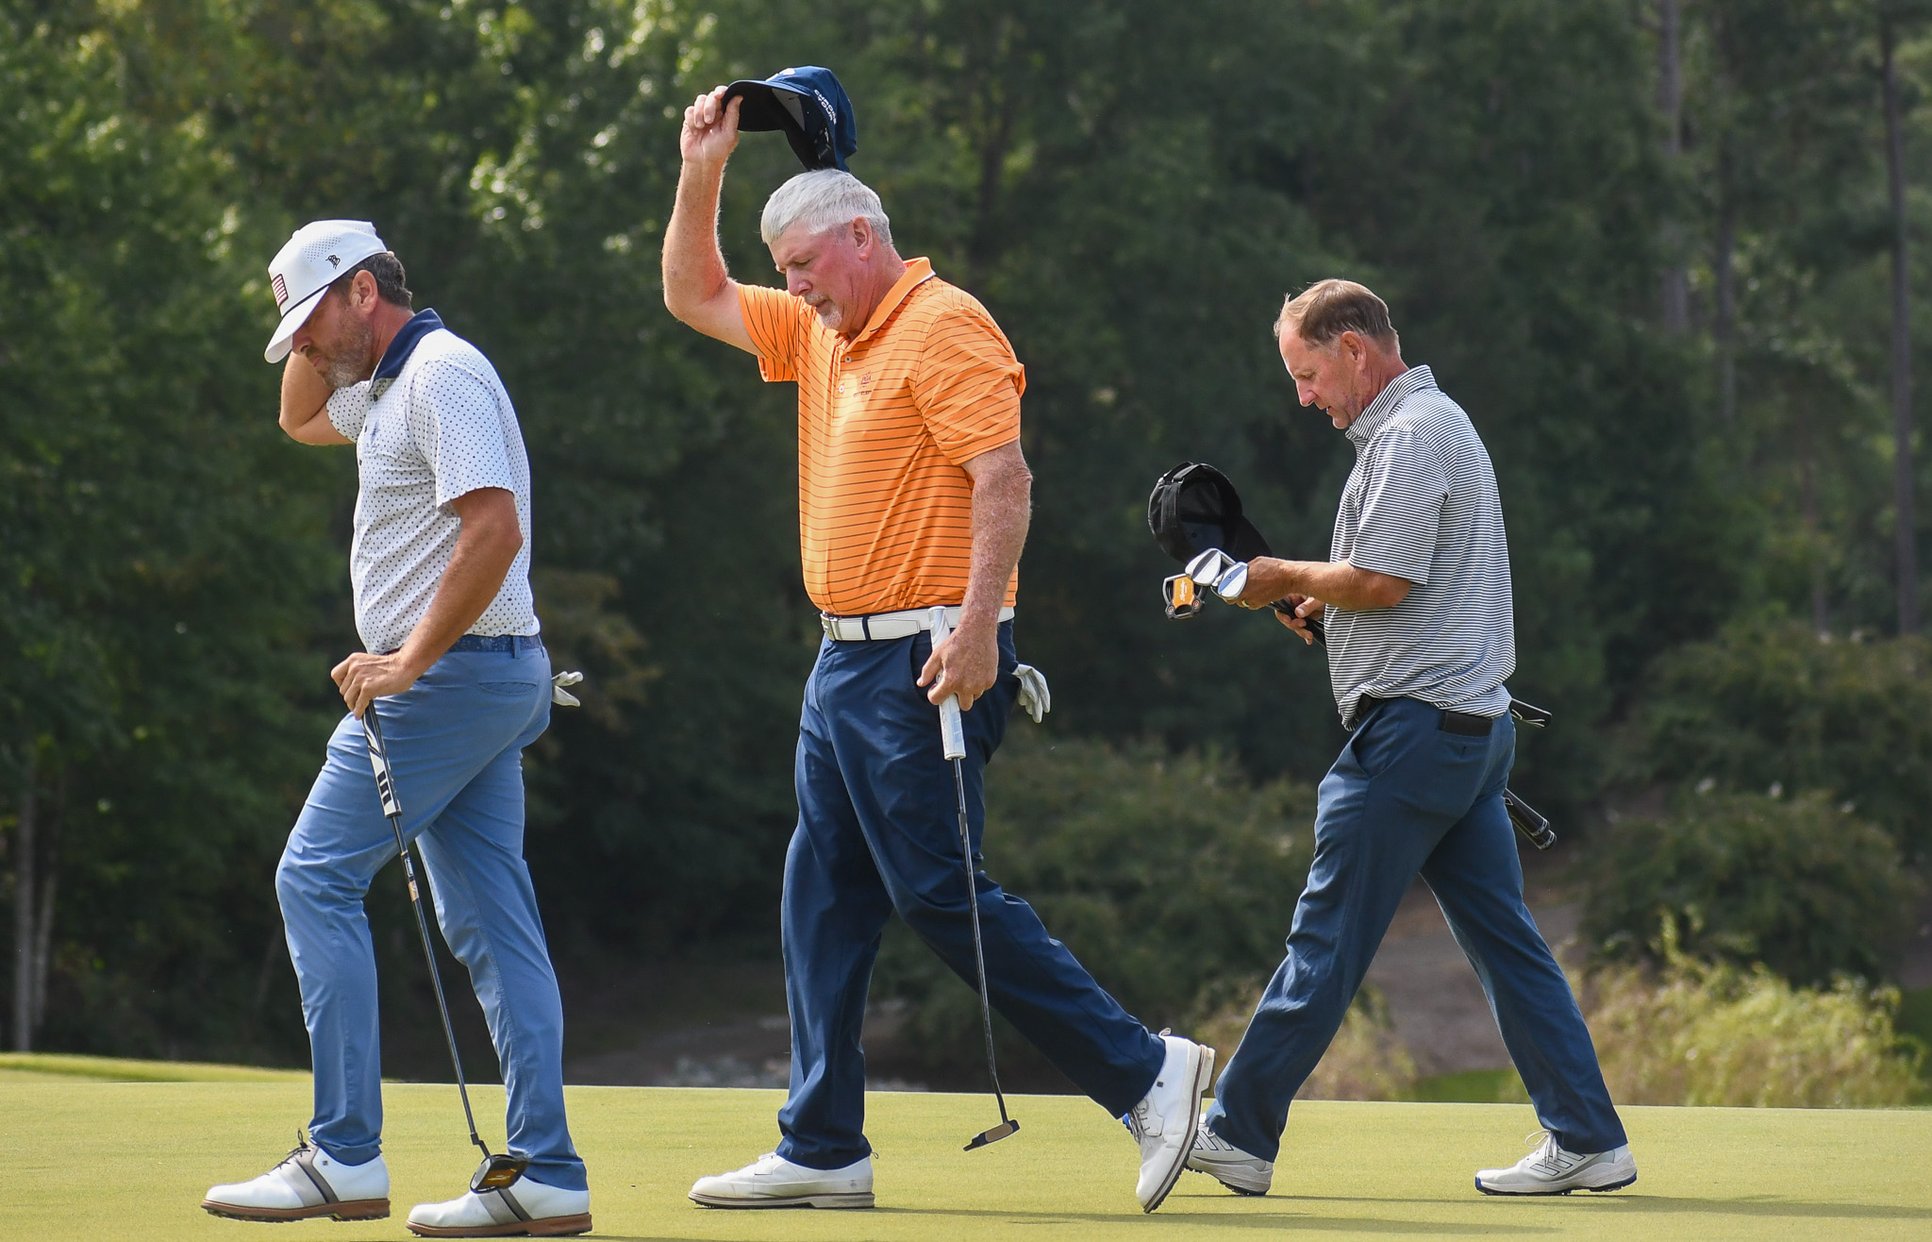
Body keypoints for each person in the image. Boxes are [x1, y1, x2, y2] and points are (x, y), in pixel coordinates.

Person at [660, 86, 1213, 1214]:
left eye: (809, 263)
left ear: (864, 237)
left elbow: (1002, 480)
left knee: (940, 894)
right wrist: (701, 167)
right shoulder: (825, 336)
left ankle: (1150, 1075)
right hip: (842, 665)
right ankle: (822, 1147)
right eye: (791, 270)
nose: (799, 288)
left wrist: (975, 632)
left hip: (925, 660)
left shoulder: (944, 322)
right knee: (819, 894)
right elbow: (693, 291)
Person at [1180, 279, 1636, 1198]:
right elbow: (1385, 588)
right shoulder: (1418, 428)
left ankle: (1236, 1133)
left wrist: (1272, 575)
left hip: (1416, 739)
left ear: (1354, 348)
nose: (1304, 396)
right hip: (1466, 734)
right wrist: (1314, 601)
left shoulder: (1411, 433)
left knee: (1326, 938)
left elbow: (1384, 580)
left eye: (1308, 374)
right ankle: (1589, 1138)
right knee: (1508, 946)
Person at [200, 220, 592, 1238]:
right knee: (492, 925)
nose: (308, 351)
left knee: (313, 878)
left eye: (318, 318)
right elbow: (297, 421)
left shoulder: (440, 378)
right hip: (488, 678)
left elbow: (494, 525)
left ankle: (343, 1156)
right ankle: (546, 1173)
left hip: (443, 684)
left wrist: (407, 661)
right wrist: (308, 334)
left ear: (364, 290)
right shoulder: (382, 386)